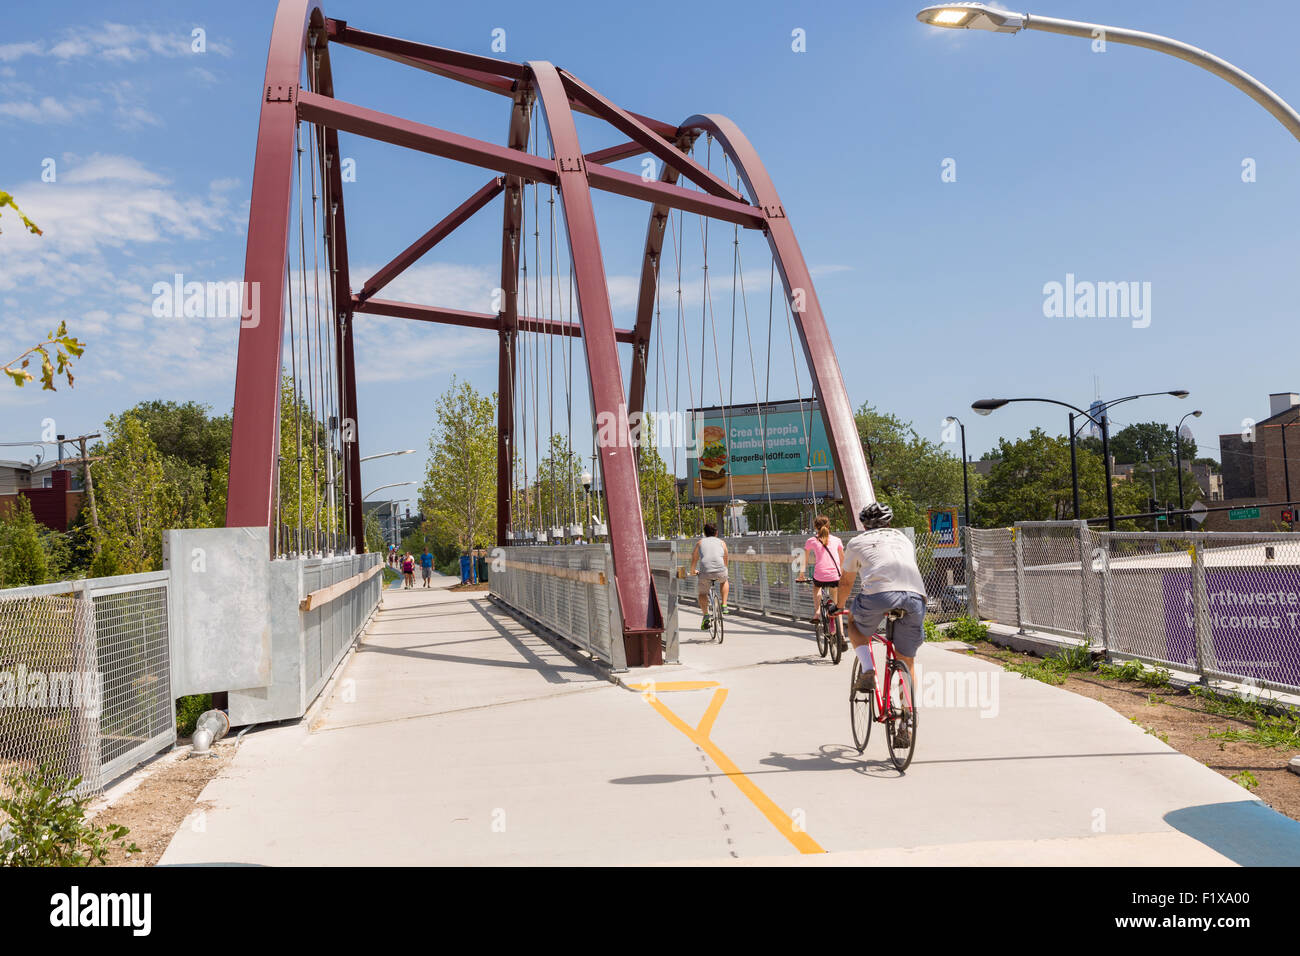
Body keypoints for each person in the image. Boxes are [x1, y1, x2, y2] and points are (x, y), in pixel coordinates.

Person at [835, 502, 926, 748]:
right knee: (907, 661)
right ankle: (907, 721)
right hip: (915, 596)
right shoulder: (902, 539)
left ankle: (867, 670)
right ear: (889, 522)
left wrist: (838, 606)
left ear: (864, 525)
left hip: (878, 595)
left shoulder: (856, 543)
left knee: (853, 620)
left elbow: (846, 582)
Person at [797, 514, 844, 624]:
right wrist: (841, 573)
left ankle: (817, 613)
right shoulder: (837, 540)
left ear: (815, 527)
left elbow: (805, 560)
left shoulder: (811, 541)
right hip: (835, 576)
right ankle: (841, 634)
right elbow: (843, 559)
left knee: (816, 587)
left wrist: (801, 575)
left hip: (820, 575)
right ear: (829, 526)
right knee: (837, 607)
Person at [688, 523, 729, 631]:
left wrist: (692, 571)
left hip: (705, 572)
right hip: (721, 571)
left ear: (705, 533)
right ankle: (724, 604)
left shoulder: (700, 543)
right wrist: (724, 569)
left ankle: (706, 616)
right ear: (716, 532)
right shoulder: (722, 542)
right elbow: (725, 558)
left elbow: (694, 559)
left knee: (702, 593)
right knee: (724, 581)